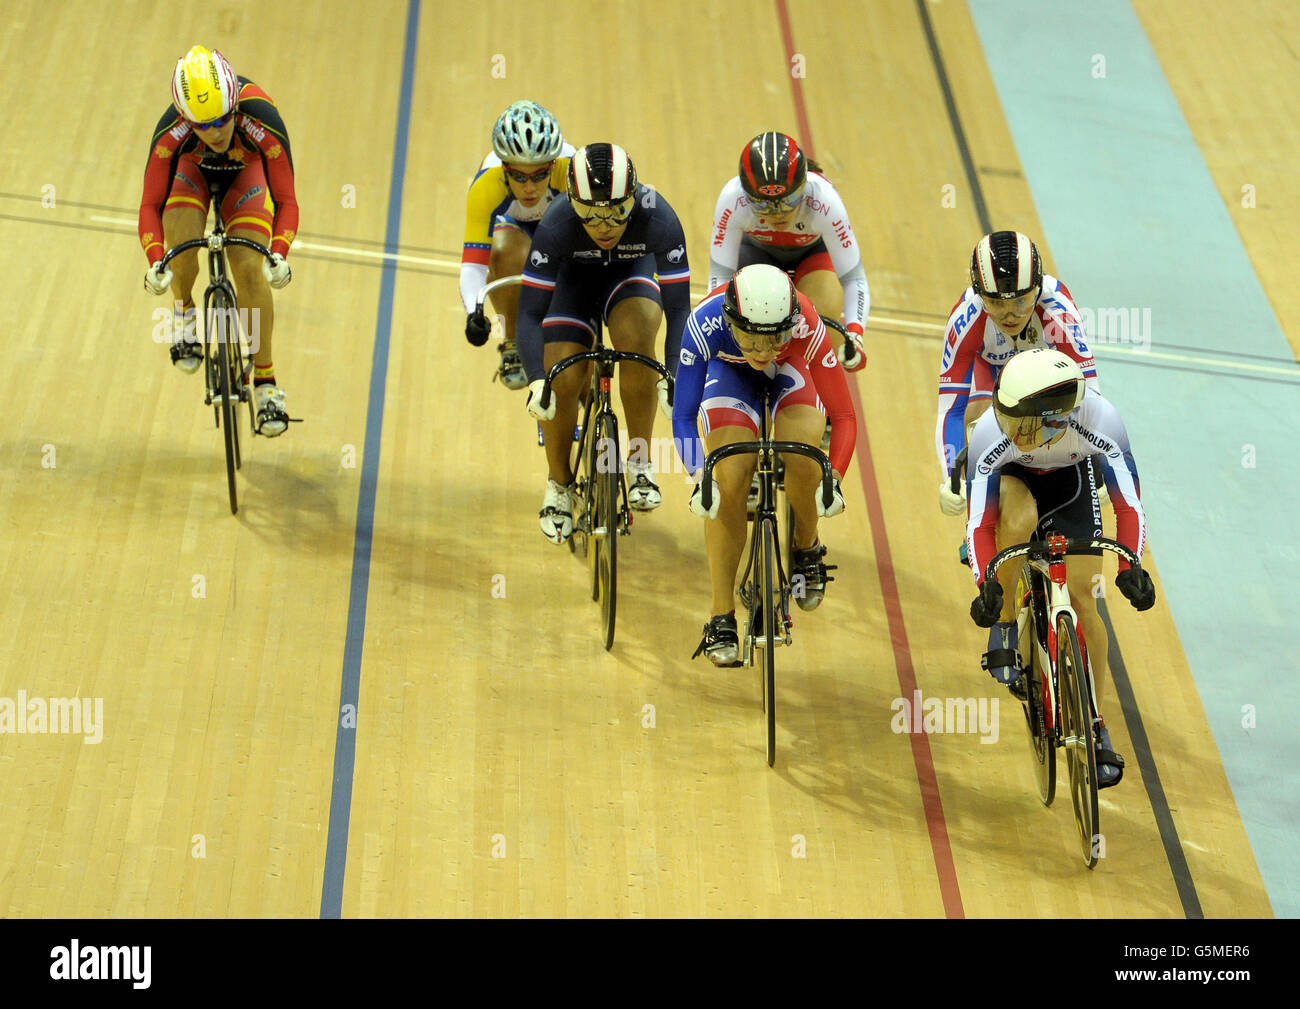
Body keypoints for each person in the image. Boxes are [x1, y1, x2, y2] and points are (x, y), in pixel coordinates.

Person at [965, 347, 1156, 787]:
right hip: (1014, 481)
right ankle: (1007, 624)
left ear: (1055, 418)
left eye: (1020, 425)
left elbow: (1129, 504)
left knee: (1085, 598)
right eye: (1006, 419)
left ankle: (1094, 722)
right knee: (1018, 521)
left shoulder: (1100, 420)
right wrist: (987, 584)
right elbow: (980, 522)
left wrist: (1130, 564)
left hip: (1071, 482)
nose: (1008, 430)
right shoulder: (992, 432)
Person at [673, 264, 856, 666]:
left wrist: (834, 477)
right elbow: (682, 416)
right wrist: (700, 477)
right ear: (729, 321)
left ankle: (807, 545)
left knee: (804, 453)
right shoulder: (703, 323)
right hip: (728, 374)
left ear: (790, 324)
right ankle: (721, 616)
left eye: (774, 339)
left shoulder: (807, 323)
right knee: (728, 479)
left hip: (793, 369)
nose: (761, 352)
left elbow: (844, 417)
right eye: (749, 340)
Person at [518, 143, 690, 542]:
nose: (604, 225)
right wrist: (537, 379)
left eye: (616, 211)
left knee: (638, 335)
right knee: (562, 376)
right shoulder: (556, 223)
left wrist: (673, 373)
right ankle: (559, 484)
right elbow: (529, 314)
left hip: (629, 275)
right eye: (591, 214)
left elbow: (679, 308)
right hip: (572, 283)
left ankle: (640, 462)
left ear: (634, 197)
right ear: (572, 202)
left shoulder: (659, 217)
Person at [139, 45, 297, 436]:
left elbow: (287, 200)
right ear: (185, 119)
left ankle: (265, 384)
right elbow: (150, 204)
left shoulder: (262, 118)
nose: (216, 131)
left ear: (235, 105)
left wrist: (279, 254)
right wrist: (156, 259)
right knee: (181, 252)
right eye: (203, 125)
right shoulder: (171, 133)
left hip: (246, 172)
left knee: (249, 269)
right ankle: (184, 311)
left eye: (224, 119)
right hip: (190, 171)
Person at [937, 231, 1099, 513]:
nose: (1009, 314)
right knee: (978, 420)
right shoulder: (965, 319)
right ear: (979, 295)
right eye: (996, 303)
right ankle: (984, 517)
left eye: (1021, 301)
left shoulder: (1058, 310)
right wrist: (953, 478)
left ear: (1037, 289)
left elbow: (1090, 396)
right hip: (990, 369)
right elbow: (951, 411)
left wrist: (1100, 464)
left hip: (1047, 372)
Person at [709, 132, 869, 372]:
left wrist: (855, 335)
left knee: (821, 326)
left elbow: (853, 278)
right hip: (757, 253)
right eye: (762, 204)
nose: (777, 213)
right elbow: (720, 276)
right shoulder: (732, 199)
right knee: (743, 328)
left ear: (804, 188)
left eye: (789, 200)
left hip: (813, 254)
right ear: (747, 195)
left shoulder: (825, 200)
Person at [460, 101, 574, 388]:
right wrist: (474, 312)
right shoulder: (486, 186)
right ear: (504, 168)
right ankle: (513, 342)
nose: (529, 187)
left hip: (559, 220)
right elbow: (474, 266)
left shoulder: (571, 172)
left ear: (553, 165)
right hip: (513, 225)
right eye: (519, 177)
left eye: (539, 175)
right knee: (504, 253)